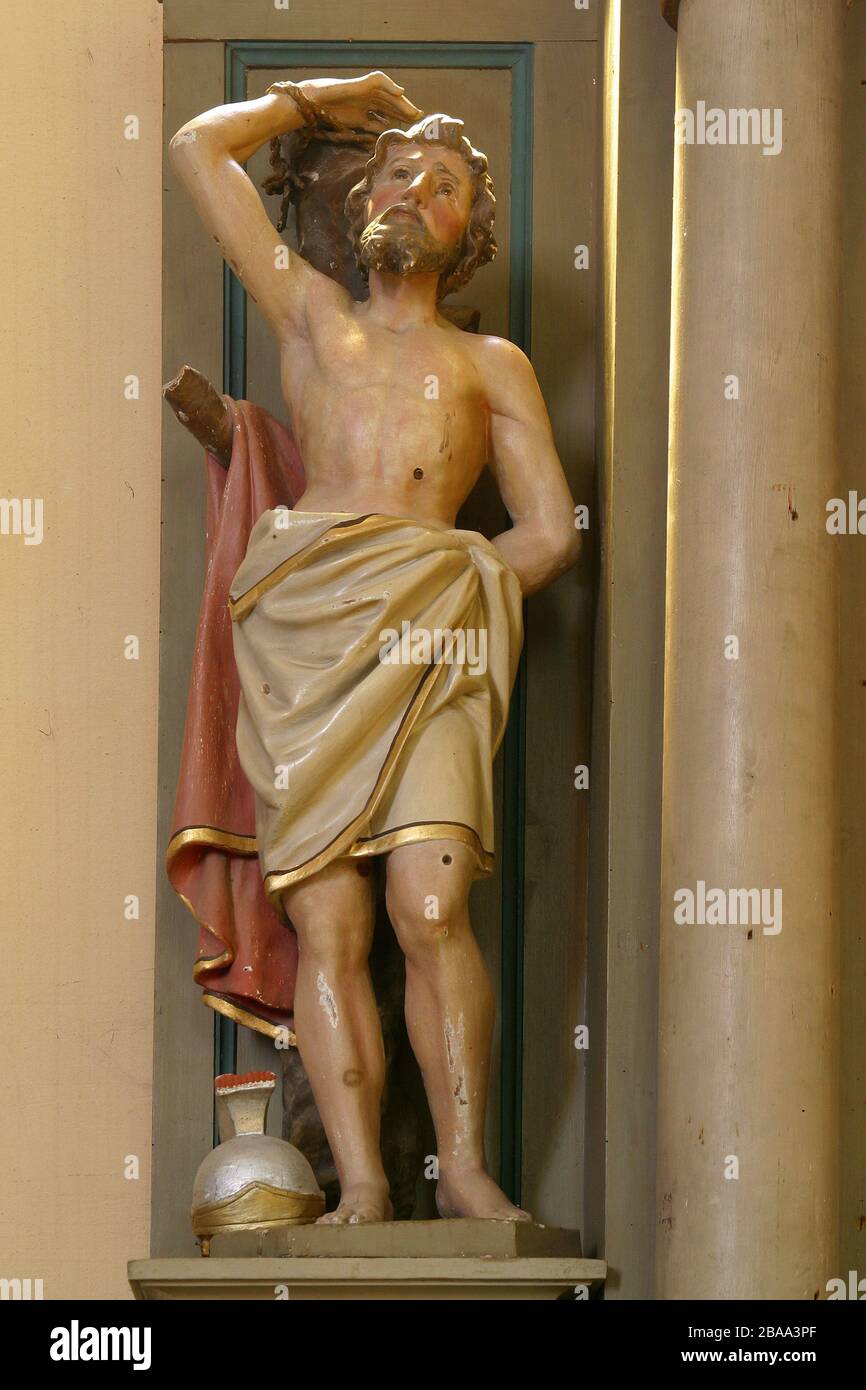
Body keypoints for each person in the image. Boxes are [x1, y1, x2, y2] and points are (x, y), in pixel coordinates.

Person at [170, 71, 580, 1223]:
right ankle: (357, 1186)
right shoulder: (312, 317)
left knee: (430, 907)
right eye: (399, 172)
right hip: (309, 643)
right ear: (364, 205)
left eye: (442, 185)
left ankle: (468, 1177)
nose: (413, 190)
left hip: (437, 635)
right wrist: (322, 97)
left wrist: (459, 575)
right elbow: (199, 149)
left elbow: (547, 529)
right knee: (330, 923)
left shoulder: (490, 366)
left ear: (467, 234)